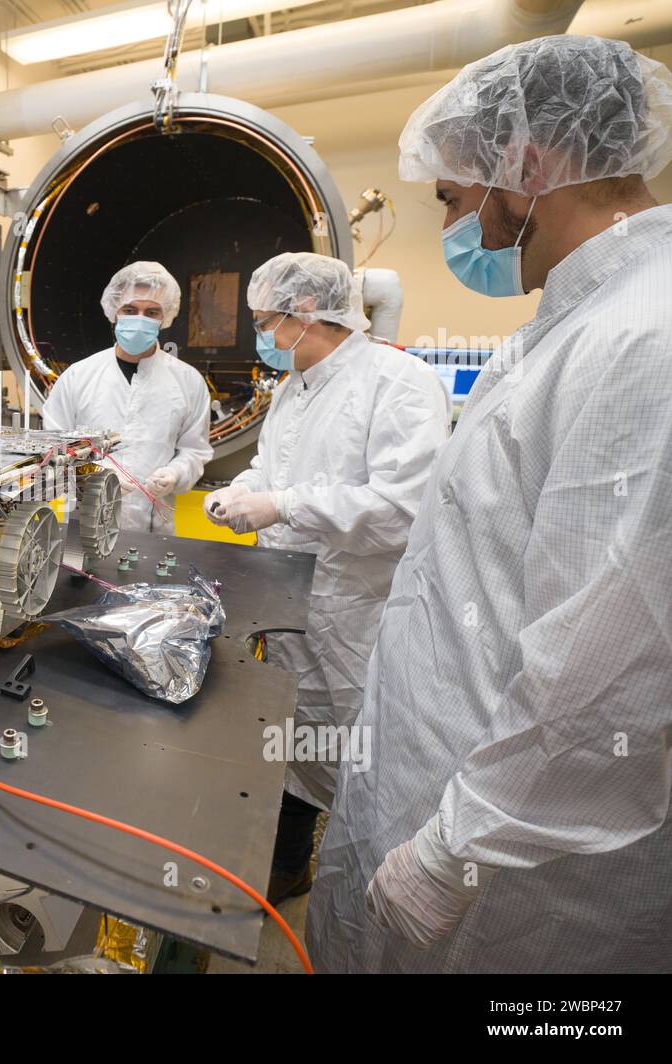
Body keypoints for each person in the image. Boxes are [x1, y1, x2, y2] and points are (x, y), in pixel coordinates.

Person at [307, 34, 672, 973]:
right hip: (442, 785)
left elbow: (610, 669)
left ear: (527, 168)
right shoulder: (572, 325)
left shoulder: (645, 341)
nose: (452, 228)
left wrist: (448, 855)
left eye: (452, 198)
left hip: (514, 871)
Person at [203, 252, 449, 905]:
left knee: (355, 756)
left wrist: (284, 506)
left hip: (356, 613)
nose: (262, 336)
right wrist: (241, 491)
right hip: (288, 602)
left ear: (304, 314)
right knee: (291, 742)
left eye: (265, 322)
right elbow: (271, 467)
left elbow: (402, 508)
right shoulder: (296, 383)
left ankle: (363, 886)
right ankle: (288, 864)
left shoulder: (397, 381)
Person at [41, 262, 212, 533]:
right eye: (130, 310)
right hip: (84, 523)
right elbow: (51, 449)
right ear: (114, 312)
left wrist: (176, 473)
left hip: (155, 528)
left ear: (165, 317)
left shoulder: (188, 382)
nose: (140, 319)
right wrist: (94, 475)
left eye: (151, 312)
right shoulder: (78, 377)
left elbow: (194, 450)